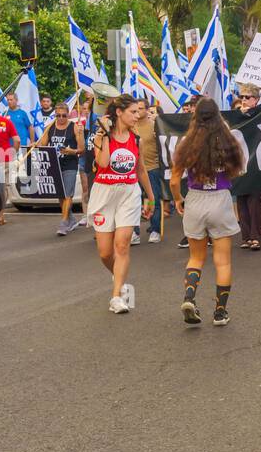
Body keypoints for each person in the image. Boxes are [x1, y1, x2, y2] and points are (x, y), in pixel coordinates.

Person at [170, 97, 245, 327]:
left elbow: (174, 180)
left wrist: (177, 200)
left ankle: (189, 298)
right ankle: (220, 313)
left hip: (195, 199)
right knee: (222, 261)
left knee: (196, 257)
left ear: (195, 115)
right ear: (218, 115)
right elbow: (238, 171)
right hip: (220, 200)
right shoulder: (228, 140)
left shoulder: (187, 142)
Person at [86, 95, 155, 315]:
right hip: (104, 194)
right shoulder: (100, 136)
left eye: (138, 112)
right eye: (133, 112)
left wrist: (150, 197)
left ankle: (116, 296)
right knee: (105, 253)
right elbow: (103, 163)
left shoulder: (136, 139)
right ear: (119, 112)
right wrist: (105, 134)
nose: (137, 116)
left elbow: (141, 169)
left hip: (129, 192)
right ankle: (119, 276)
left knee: (122, 245)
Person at [35, 102, 82, 234]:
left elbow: (81, 149)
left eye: (64, 115)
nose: (61, 118)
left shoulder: (74, 127)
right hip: (55, 164)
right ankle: (70, 218)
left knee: (68, 194)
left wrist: (70, 151)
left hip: (70, 164)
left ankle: (63, 223)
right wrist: (35, 145)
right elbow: (43, 145)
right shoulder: (50, 127)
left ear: (68, 115)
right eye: (58, 115)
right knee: (60, 195)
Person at [234, 84, 261, 250]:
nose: (243, 100)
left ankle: (255, 236)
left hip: (256, 163)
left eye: (247, 97)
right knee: (241, 200)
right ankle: (245, 236)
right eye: (242, 97)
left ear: (256, 99)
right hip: (240, 162)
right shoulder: (236, 115)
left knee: (254, 201)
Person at [134, 101, 163, 243]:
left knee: (154, 200)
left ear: (146, 110)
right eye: (135, 109)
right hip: (134, 170)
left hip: (152, 168)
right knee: (134, 202)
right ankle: (135, 232)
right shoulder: (130, 126)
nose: (137, 111)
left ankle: (155, 229)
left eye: (140, 108)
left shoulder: (154, 126)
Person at [0, 98, 20, 225]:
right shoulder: (6, 122)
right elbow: (17, 140)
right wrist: (13, 152)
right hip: (4, 158)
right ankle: (0, 216)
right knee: (2, 188)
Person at [77, 91, 96, 224]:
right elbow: (81, 147)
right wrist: (79, 133)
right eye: (84, 108)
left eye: (88, 108)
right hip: (84, 159)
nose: (86, 110)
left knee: (94, 189)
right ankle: (86, 215)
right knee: (85, 188)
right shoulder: (77, 123)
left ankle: (95, 215)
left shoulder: (96, 121)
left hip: (95, 159)